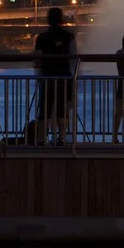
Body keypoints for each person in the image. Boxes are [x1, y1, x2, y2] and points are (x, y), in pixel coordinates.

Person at [33, 8, 78, 145]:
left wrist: (39, 75)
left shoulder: (42, 37)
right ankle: (62, 137)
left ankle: (42, 139)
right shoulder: (69, 36)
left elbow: (37, 59)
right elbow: (74, 57)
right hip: (64, 75)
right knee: (62, 107)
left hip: (47, 75)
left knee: (44, 108)